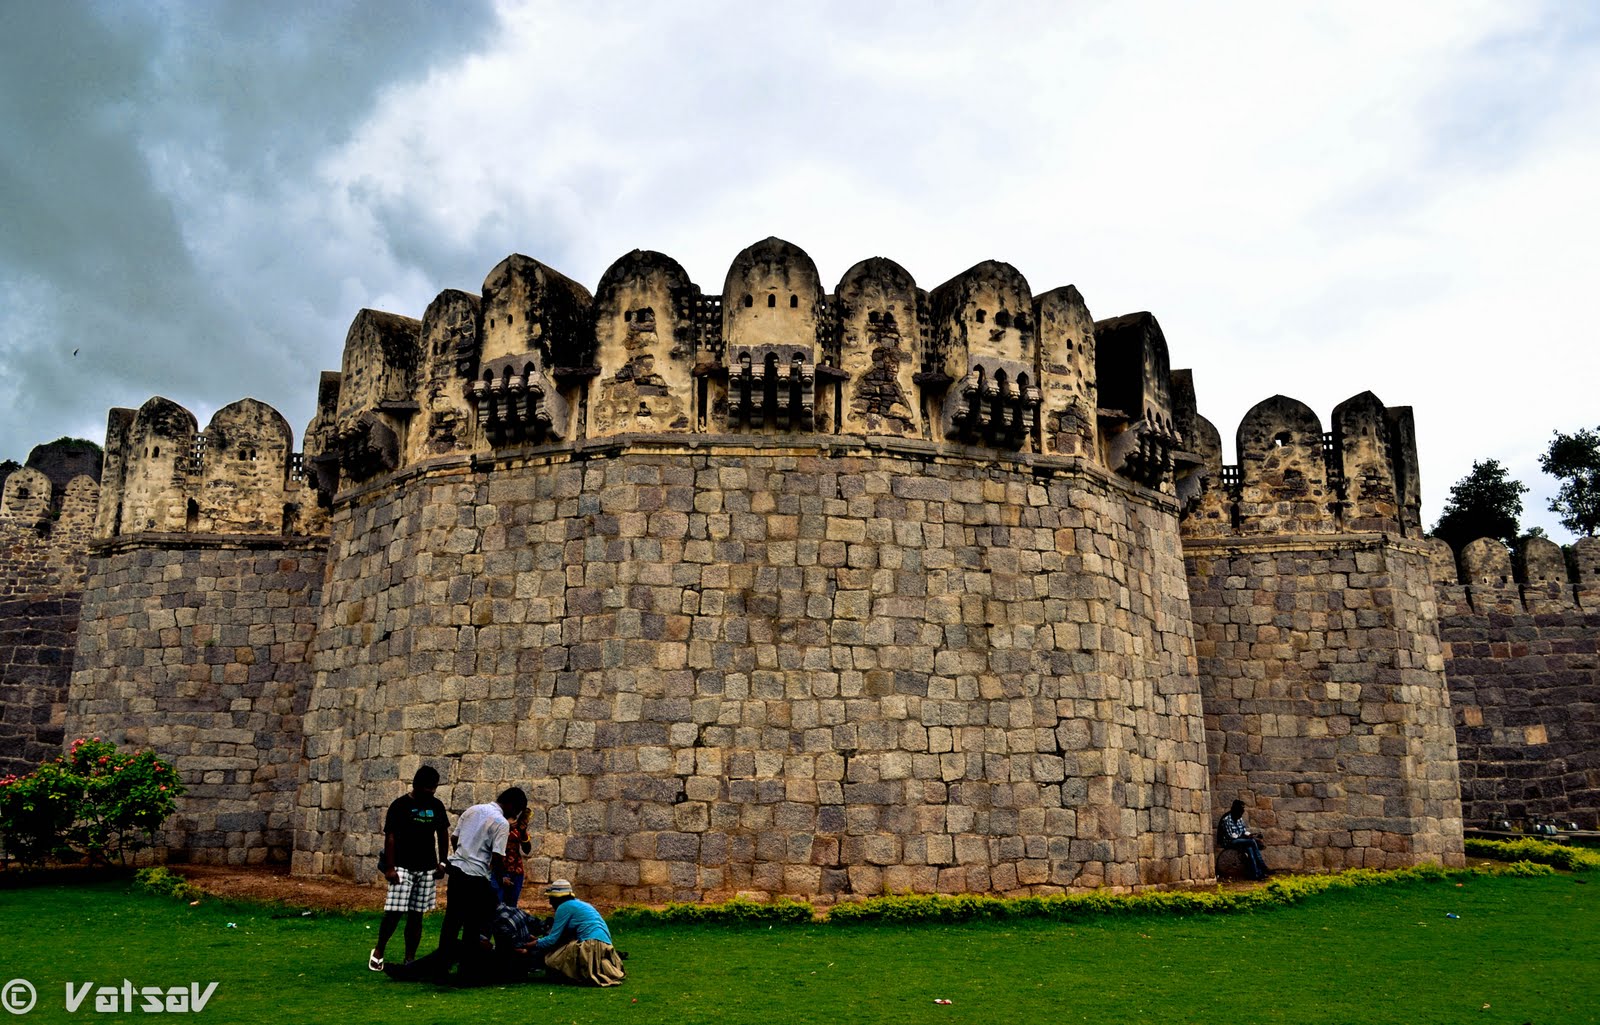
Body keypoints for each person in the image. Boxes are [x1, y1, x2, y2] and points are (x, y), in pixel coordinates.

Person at [434, 787, 528, 979]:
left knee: (451, 922)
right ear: (511, 805)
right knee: (473, 924)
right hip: (476, 876)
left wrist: (463, 855)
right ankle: (466, 971)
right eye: (516, 810)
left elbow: (454, 837)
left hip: (457, 872)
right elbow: (497, 856)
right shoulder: (501, 823)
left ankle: (441, 968)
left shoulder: (473, 810)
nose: (515, 816)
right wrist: (500, 878)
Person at [369, 765, 449, 972]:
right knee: (394, 912)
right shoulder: (400, 805)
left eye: (434, 788)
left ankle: (409, 959)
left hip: (426, 867)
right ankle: (379, 950)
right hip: (402, 865)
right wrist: (390, 867)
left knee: (417, 915)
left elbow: (442, 834)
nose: (431, 792)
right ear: (416, 785)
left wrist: (442, 863)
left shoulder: (436, 806)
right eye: (427, 787)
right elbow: (391, 836)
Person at [530, 879, 625, 987]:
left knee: (552, 959)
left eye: (551, 898)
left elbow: (552, 939)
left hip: (591, 944)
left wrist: (533, 944)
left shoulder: (564, 907)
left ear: (557, 898)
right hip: (605, 944)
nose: (550, 902)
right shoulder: (580, 904)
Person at [1217, 799, 1270, 880]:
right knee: (1251, 842)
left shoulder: (1239, 818)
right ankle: (1263, 866)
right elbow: (1232, 836)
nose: (1242, 813)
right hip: (1228, 842)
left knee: (1250, 848)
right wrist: (1247, 838)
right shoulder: (1227, 819)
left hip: (1239, 840)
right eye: (1241, 811)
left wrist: (1251, 835)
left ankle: (1257, 874)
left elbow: (1243, 831)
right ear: (1235, 809)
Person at [498, 805, 532, 907]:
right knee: (498, 904)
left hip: (516, 872)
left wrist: (522, 832)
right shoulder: (499, 827)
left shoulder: (518, 830)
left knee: (512, 906)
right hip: (500, 870)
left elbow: (527, 850)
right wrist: (501, 876)